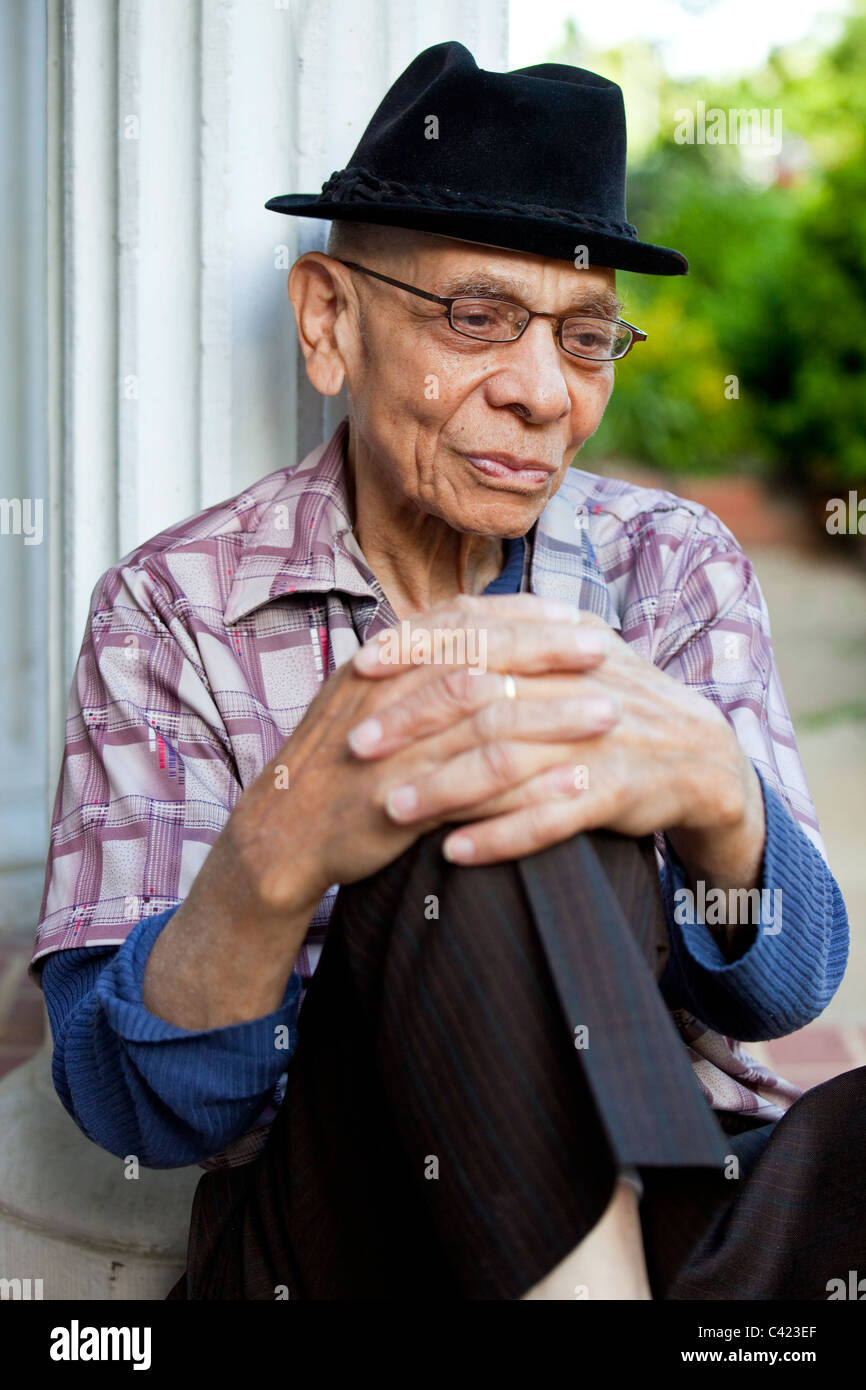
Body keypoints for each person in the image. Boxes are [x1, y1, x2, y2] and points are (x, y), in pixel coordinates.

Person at [32, 41, 859, 1301]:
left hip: (686, 1188)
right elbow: (132, 1101)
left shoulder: (673, 563)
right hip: (354, 1220)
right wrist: (282, 843)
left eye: (586, 337)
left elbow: (779, 992)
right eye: (476, 318)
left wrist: (723, 806)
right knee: (478, 803)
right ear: (328, 321)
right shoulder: (173, 607)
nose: (541, 392)